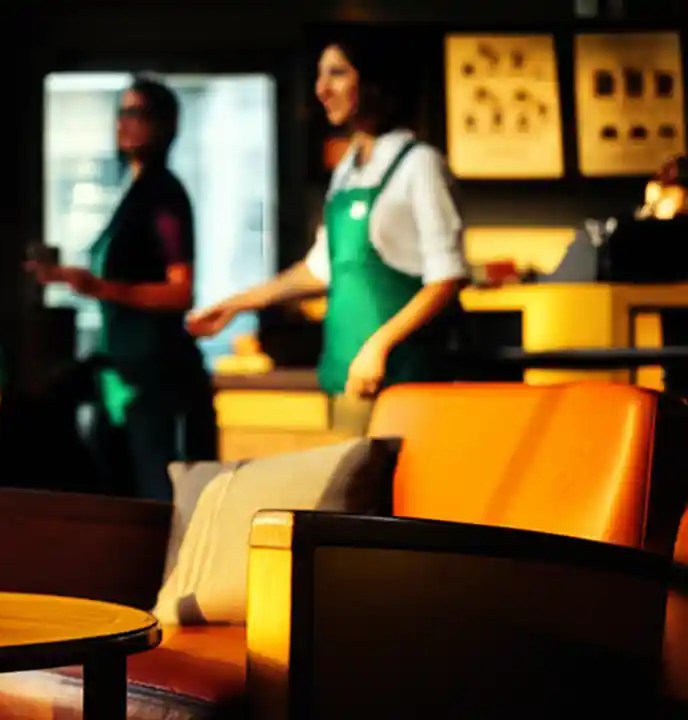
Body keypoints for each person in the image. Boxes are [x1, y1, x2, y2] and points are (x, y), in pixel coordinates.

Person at [187, 33, 469, 401]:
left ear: (373, 81)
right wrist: (236, 304)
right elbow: (320, 269)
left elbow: (447, 278)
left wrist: (378, 347)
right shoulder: (347, 170)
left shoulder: (419, 165)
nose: (321, 89)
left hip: (405, 381)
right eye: (320, 76)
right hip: (346, 376)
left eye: (337, 73)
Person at [29, 75, 217, 502]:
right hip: (124, 369)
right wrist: (67, 277)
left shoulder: (163, 195)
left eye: (140, 113)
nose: (126, 123)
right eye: (122, 112)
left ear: (166, 125)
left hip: (156, 375)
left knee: (156, 493)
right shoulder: (131, 191)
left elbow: (181, 292)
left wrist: (103, 288)